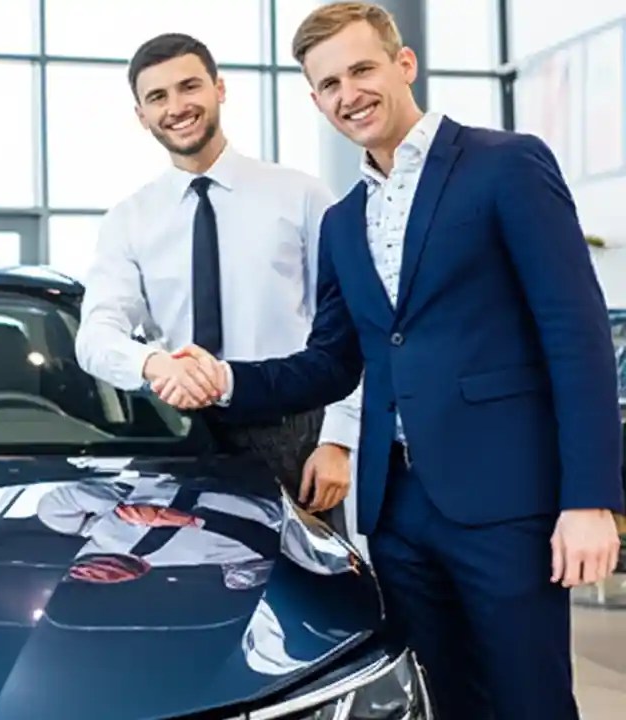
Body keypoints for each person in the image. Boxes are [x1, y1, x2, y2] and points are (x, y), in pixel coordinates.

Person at [160, 4, 625, 718]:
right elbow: (333, 363)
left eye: (362, 69)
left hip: (505, 502)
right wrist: (226, 380)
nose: (349, 94)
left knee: (530, 700)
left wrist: (590, 499)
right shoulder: (344, 218)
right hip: (397, 511)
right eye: (329, 84)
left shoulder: (505, 164)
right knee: (440, 700)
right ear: (315, 99)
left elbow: (577, 333)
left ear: (403, 65)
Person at [74, 33, 362, 531]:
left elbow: (351, 327)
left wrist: (339, 438)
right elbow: (96, 336)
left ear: (219, 89)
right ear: (141, 115)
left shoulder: (301, 196)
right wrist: (154, 363)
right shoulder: (129, 219)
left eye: (190, 87)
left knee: (307, 597)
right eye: (157, 97)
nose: (177, 107)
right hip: (181, 435)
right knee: (182, 592)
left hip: (291, 431)